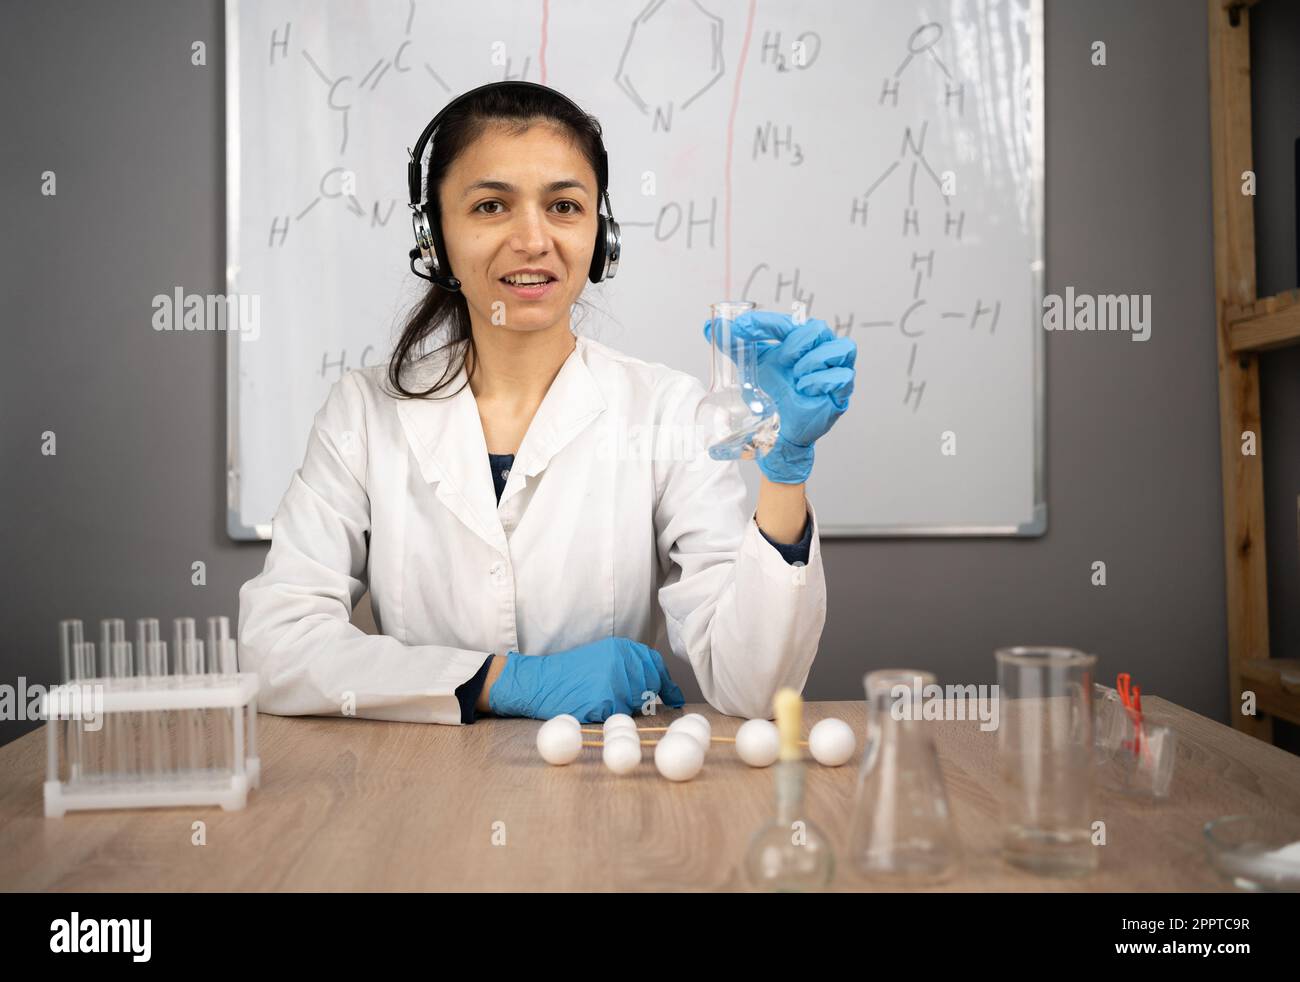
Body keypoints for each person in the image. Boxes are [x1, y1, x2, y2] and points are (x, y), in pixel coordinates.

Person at [237, 81, 856, 725]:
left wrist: (785, 470)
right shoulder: (364, 414)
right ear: (434, 236)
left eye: (563, 206)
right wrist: (501, 681)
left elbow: (754, 688)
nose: (533, 240)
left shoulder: (666, 411)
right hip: (422, 777)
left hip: (603, 777)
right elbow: (275, 644)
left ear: (601, 236)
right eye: (491, 206)